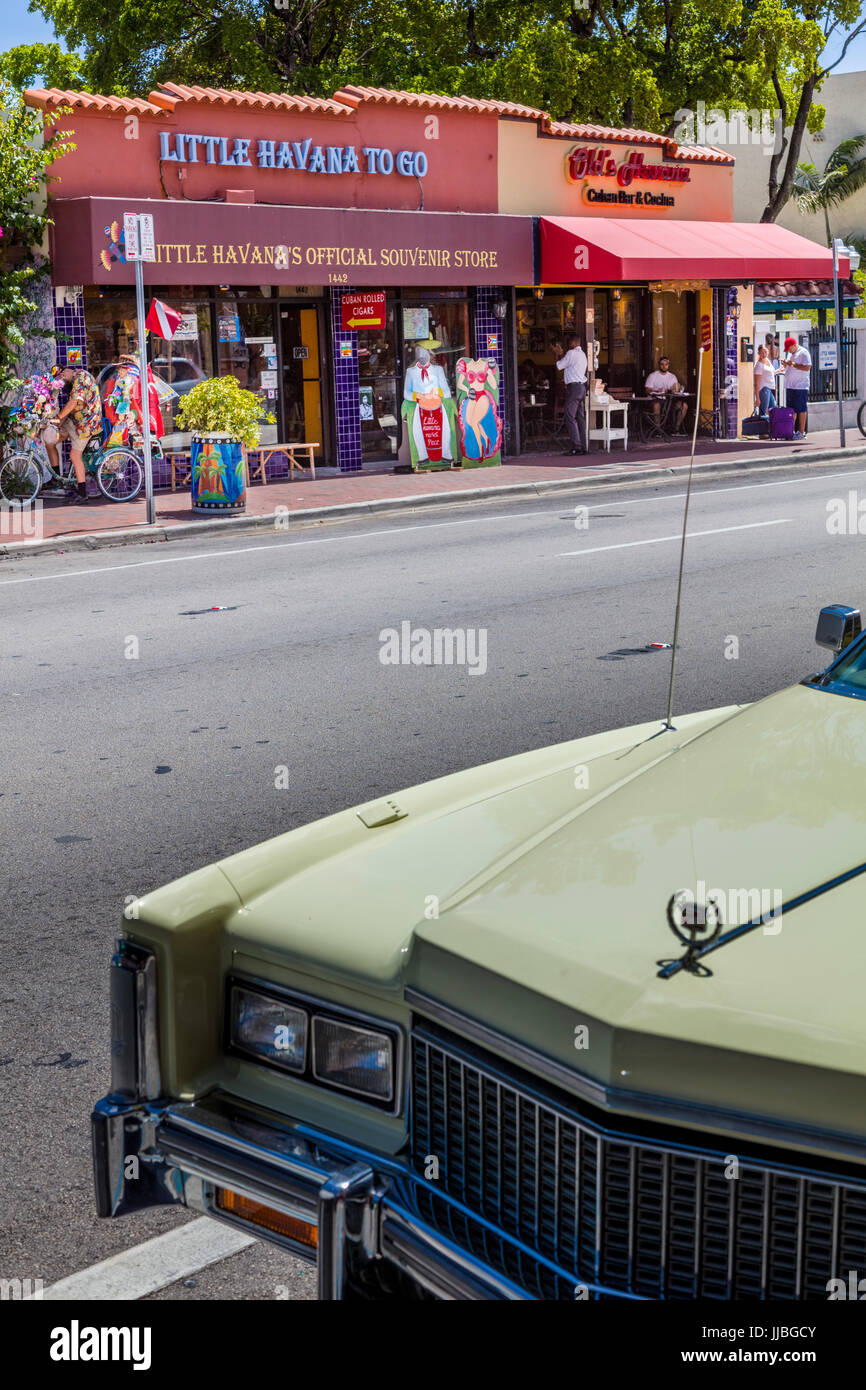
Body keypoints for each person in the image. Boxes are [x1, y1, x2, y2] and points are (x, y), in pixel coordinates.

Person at [46, 364, 103, 503]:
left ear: (67, 370)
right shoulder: (73, 381)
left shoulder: (81, 377)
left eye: (63, 376)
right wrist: (58, 422)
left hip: (87, 423)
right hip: (76, 421)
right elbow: (72, 408)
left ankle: (83, 493)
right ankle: (56, 478)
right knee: (50, 439)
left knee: (74, 455)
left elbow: (73, 403)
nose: (63, 379)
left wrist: (59, 417)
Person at [552, 334, 588, 455]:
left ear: (573, 343)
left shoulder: (571, 353)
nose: (567, 345)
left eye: (568, 343)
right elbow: (568, 364)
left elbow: (559, 366)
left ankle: (576, 447)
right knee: (580, 418)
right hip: (582, 388)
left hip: (574, 389)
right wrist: (562, 354)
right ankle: (584, 446)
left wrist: (557, 354)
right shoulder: (582, 354)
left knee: (569, 417)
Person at [645, 355, 688, 433]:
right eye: (662, 364)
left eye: (666, 364)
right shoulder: (653, 375)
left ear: (668, 365)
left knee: (683, 406)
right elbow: (647, 389)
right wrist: (656, 390)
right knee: (656, 405)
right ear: (659, 365)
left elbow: (676, 389)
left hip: (669, 400)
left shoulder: (672, 376)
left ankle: (676, 429)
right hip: (656, 399)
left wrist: (675, 389)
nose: (664, 366)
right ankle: (658, 429)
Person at [782, 335, 811, 439]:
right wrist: (786, 364)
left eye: (789, 348)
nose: (789, 351)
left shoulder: (804, 352)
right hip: (790, 386)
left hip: (800, 386)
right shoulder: (791, 354)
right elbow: (791, 365)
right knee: (791, 410)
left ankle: (801, 432)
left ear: (794, 345)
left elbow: (807, 367)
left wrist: (793, 364)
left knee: (801, 409)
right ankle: (790, 431)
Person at [753, 343, 777, 417]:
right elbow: (756, 383)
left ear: (768, 352)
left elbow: (771, 373)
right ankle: (761, 428)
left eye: (765, 352)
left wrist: (779, 370)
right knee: (763, 412)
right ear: (758, 353)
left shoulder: (767, 361)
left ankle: (771, 428)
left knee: (773, 410)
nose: (764, 354)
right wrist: (757, 398)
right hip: (763, 390)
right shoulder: (759, 365)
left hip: (769, 389)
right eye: (762, 352)